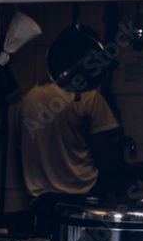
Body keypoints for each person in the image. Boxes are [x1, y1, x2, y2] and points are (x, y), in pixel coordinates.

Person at [18, 79, 123, 231]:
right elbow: (105, 161)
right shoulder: (89, 97)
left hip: (41, 208)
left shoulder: (28, 98)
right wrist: (134, 172)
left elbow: (20, 152)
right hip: (81, 207)